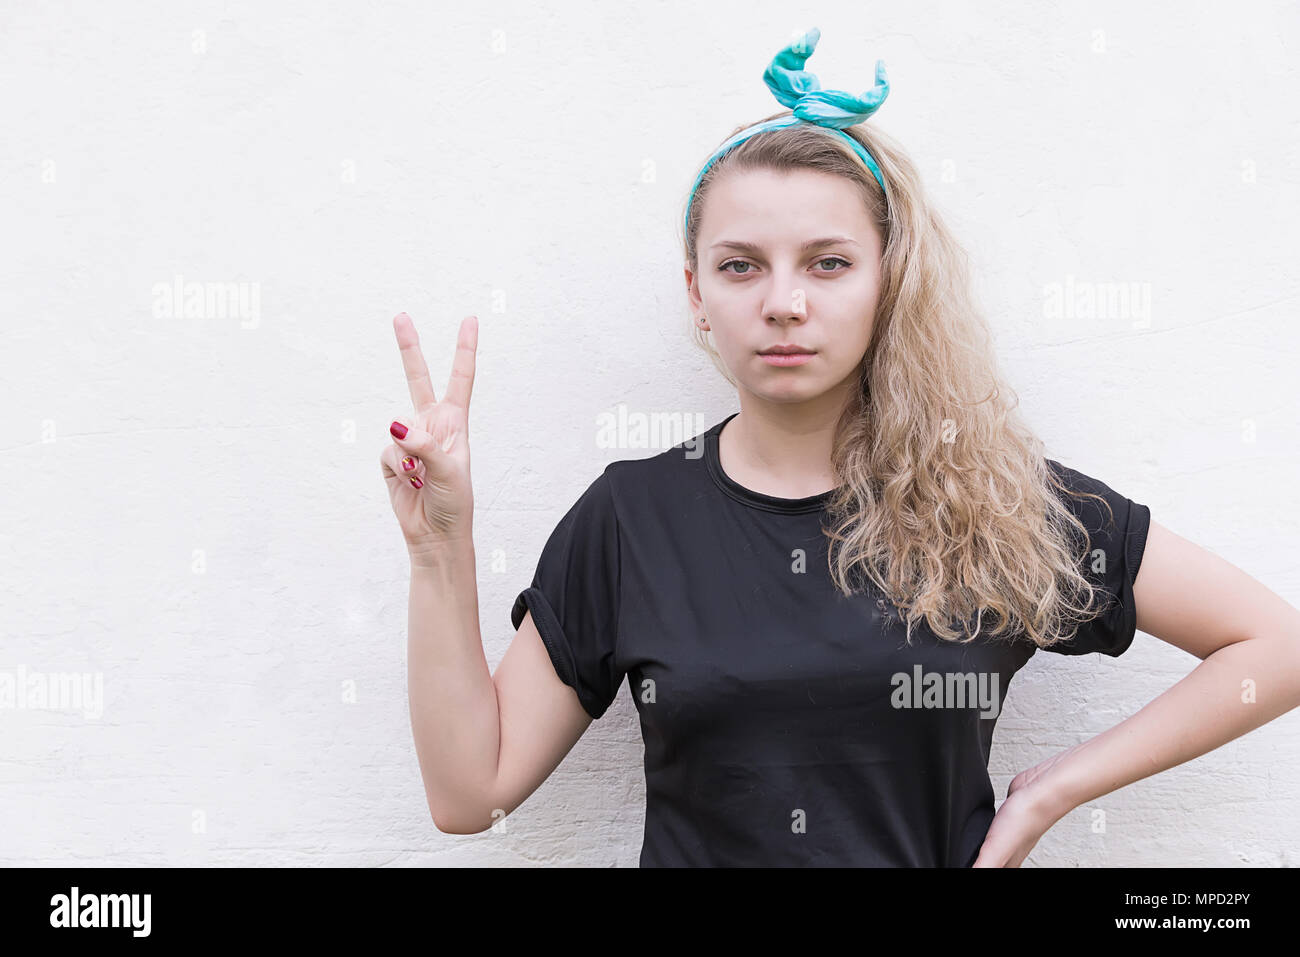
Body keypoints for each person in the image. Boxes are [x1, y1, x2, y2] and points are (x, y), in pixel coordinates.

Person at [381, 28, 1300, 867]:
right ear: (697, 293)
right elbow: (470, 793)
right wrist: (439, 546)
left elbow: (1277, 645)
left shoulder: (993, 503)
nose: (784, 301)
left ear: (886, 281)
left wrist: (1048, 792)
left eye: (828, 262)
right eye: (741, 264)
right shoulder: (631, 518)